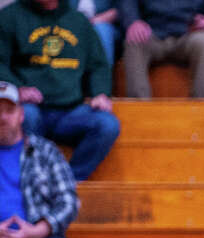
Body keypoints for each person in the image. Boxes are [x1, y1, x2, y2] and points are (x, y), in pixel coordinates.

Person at [0, 0, 119, 182]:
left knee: (107, 125)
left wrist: (100, 93)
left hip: (71, 111)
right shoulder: (9, 16)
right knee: (23, 117)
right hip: (30, 109)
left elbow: (98, 65)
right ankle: (33, 181)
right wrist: (17, 89)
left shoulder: (78, 21)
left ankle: (68, 182)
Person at [0, 81, 80, 238]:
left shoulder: (45, 151)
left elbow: (69, 200)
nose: (2, 118)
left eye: (9, 110)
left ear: (21, 115)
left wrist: (36, 231)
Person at [119, 0, 204, 98]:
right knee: (134, 39)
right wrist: (133, 21)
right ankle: (139, 109)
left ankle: (199, 107)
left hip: (189, 33)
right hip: (151, 32)